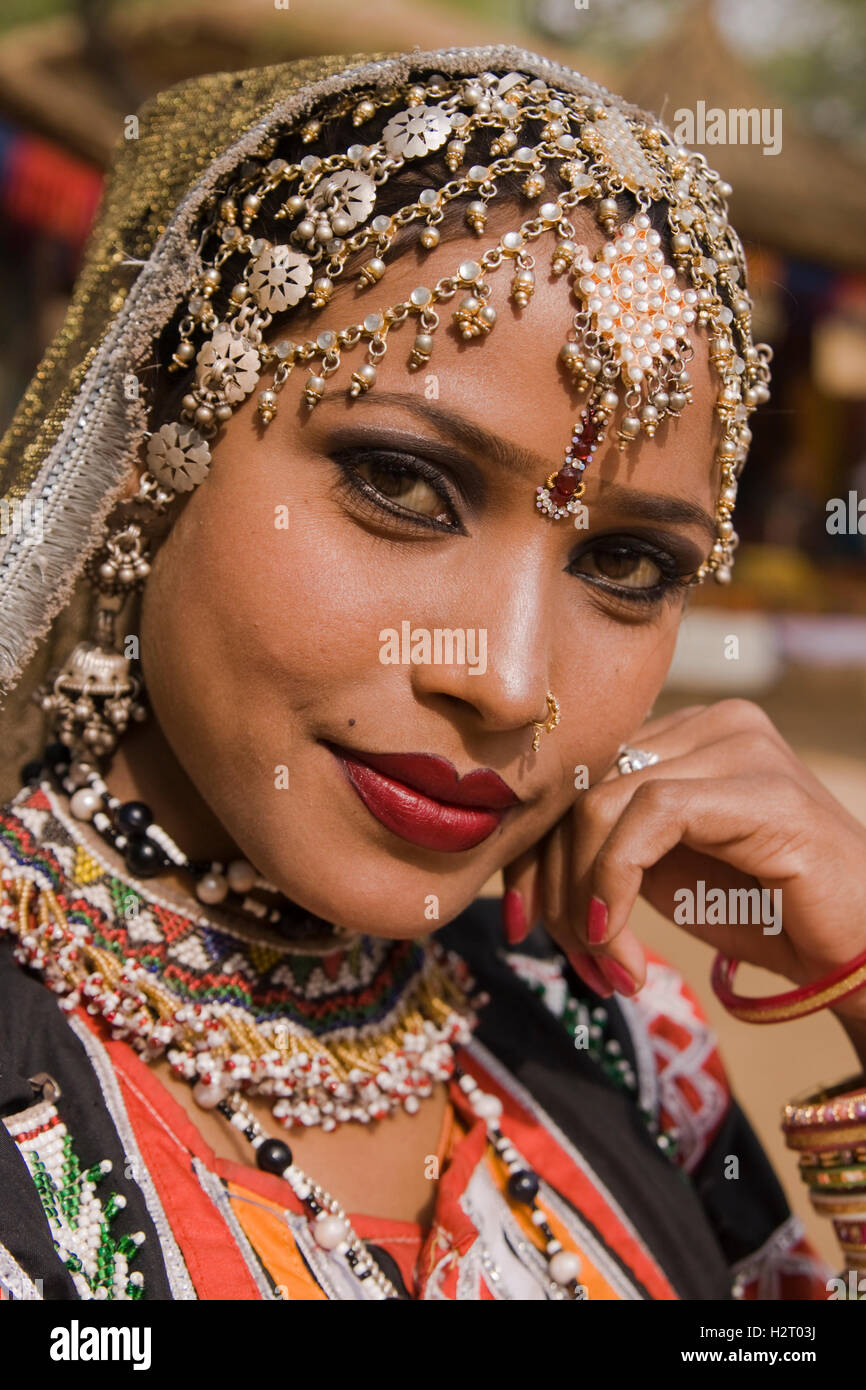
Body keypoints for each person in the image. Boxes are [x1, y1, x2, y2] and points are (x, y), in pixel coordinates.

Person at [0, 45, 863, 1303]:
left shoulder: (614, 1036)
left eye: (625, 564)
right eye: (401, 483)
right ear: (153, 444)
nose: (509, 683)